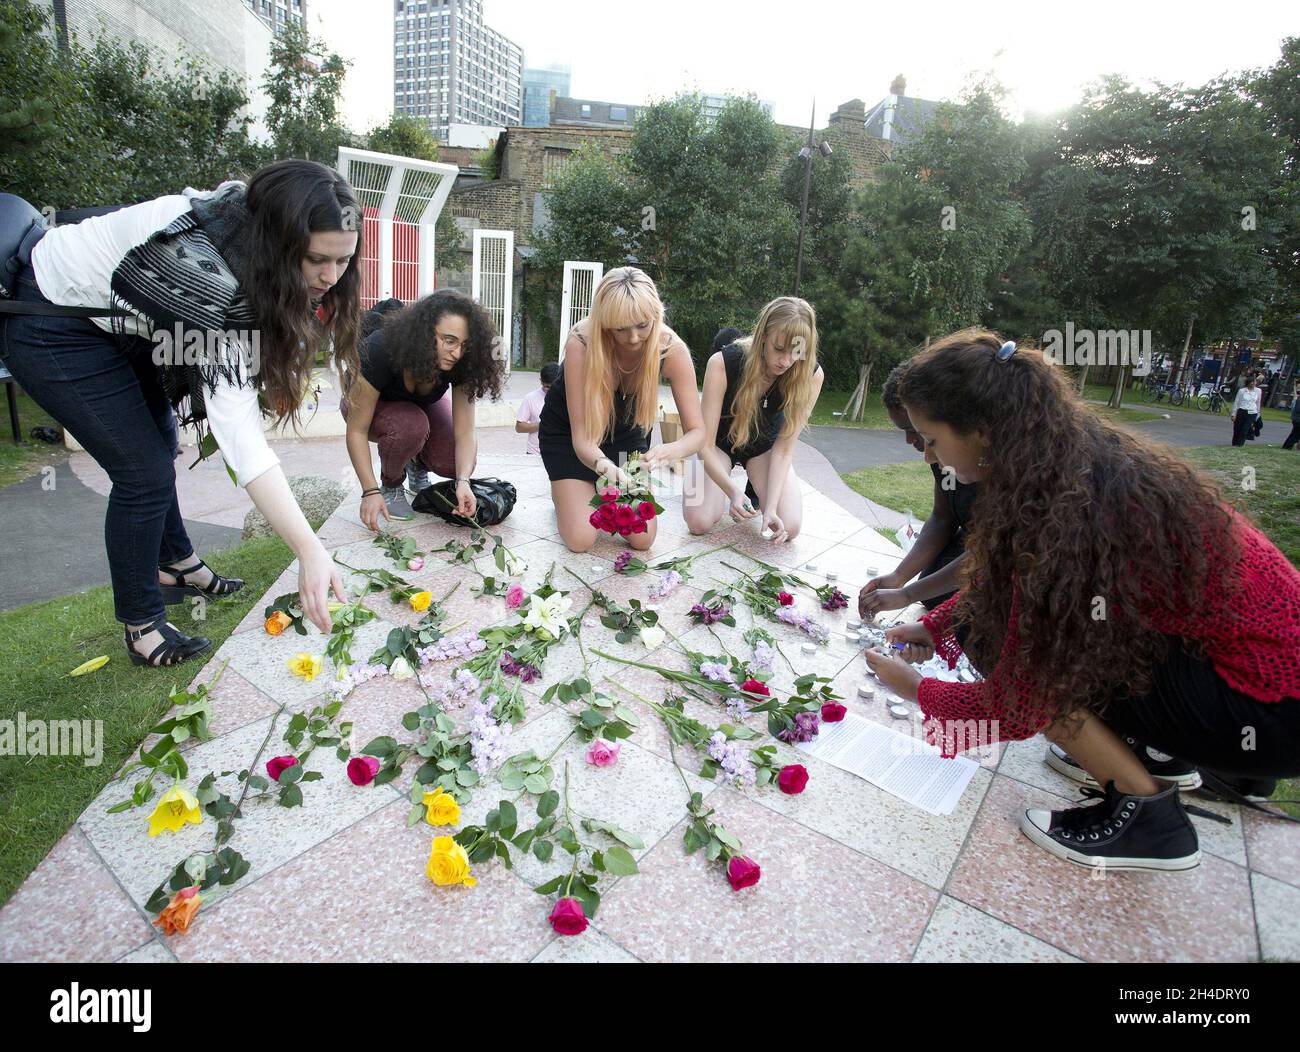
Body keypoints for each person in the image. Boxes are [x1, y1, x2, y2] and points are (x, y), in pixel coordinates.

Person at [863, 329, 1300, 873]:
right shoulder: (1063, 459)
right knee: (1011, 626)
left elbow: (1018, 705)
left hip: (1271, 707)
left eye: (930, 438)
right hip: (1254, 683)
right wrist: (938, 625)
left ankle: (1149, 818)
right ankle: (1157, 754)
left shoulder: (1066, 510)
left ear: (983, 431)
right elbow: (1005, 581)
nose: (928, 454)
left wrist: (918, 690)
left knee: (1033, 657)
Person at [0, 159, 361, 667]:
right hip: (52, 318)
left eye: (343, 261)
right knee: (141, 472)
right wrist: (309, 549)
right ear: (278, 243)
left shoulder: (248, 222)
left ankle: (179, 564)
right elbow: (238, 435)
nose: (330, 277)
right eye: (315, 259)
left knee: (162, 445)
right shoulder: (207, 279)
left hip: (119, 319)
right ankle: (141, 623)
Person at [538, 266, 704, 553]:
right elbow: (582, 440)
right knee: (580, 539)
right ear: (604, 323)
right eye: (621, 328)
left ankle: (588, 493)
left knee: (643, 538)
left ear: (656, 314)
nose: (634, 338)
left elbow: (698, 432)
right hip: (569, 437)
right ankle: (567, 499)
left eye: (643, 324)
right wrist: (605, 469)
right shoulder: (581, 342)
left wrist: (670, 451)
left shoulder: (671, 350)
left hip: (627, 437)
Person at [341, 290, 503, 526]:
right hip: (367, 407)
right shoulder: (379, 349)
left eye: (464, 344)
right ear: (424, 332)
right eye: (449, 340)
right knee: (411, 425)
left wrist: (463, 481)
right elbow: (356, 431)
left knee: (452, 459)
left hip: (420, 407)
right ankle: (392, 483)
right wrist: (370, 491)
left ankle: (416, 462)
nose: (456, 353)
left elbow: (465, 433)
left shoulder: (462, 361)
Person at [682, 297, 823, 543]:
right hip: (716, 445)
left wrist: (769, 509)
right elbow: (702, 443)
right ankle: (705, 482)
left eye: (795, 352)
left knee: (789, 526)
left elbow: (784, 450)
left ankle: (757, 496)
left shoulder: (812, 375)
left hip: (764, 448)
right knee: (698, 521)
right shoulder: (722, 363)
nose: (786, 361)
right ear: (762, 336)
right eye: (779, 349)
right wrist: (733, 491)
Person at [859, 362, 978, 618]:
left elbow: (988, 552)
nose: (912, 442)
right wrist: (900, 577)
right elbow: (942, 517)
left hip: (996, 554)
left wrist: (907, 595)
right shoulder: (941, 458)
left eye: (916, 432)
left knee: (962, 607)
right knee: (934, 588)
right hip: (975, 543)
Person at [516, 362, 560, 455]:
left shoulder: (568, 398)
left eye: (554, 386)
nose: (551, 390)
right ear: (541, 381)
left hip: (559, 453)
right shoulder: (530, 398)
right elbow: (519, 427)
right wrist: (542, 425)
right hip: (534, 453)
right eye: (547, 387)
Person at [1231, 373, 1262, 446]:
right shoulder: (1242, 391)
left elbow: (1258, 402)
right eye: (1252, 382)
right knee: (1237, 428)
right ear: (1248, 383)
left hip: (1252, 412)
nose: (1254, 383)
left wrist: (1258, 413)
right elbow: (1237, 402)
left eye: (1255, 382)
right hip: (1242, 410)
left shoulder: (1258, 391)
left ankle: (1240, 444)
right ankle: (1234, 443)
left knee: (1245, 429)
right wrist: (1234, 414)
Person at [1284, 382, 1300, 451]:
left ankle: (1286, 446)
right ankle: (1288, 447)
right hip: (1298, 419)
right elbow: (1298, 409)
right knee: (1295, 435)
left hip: (1296, 418)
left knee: (1293, 434)